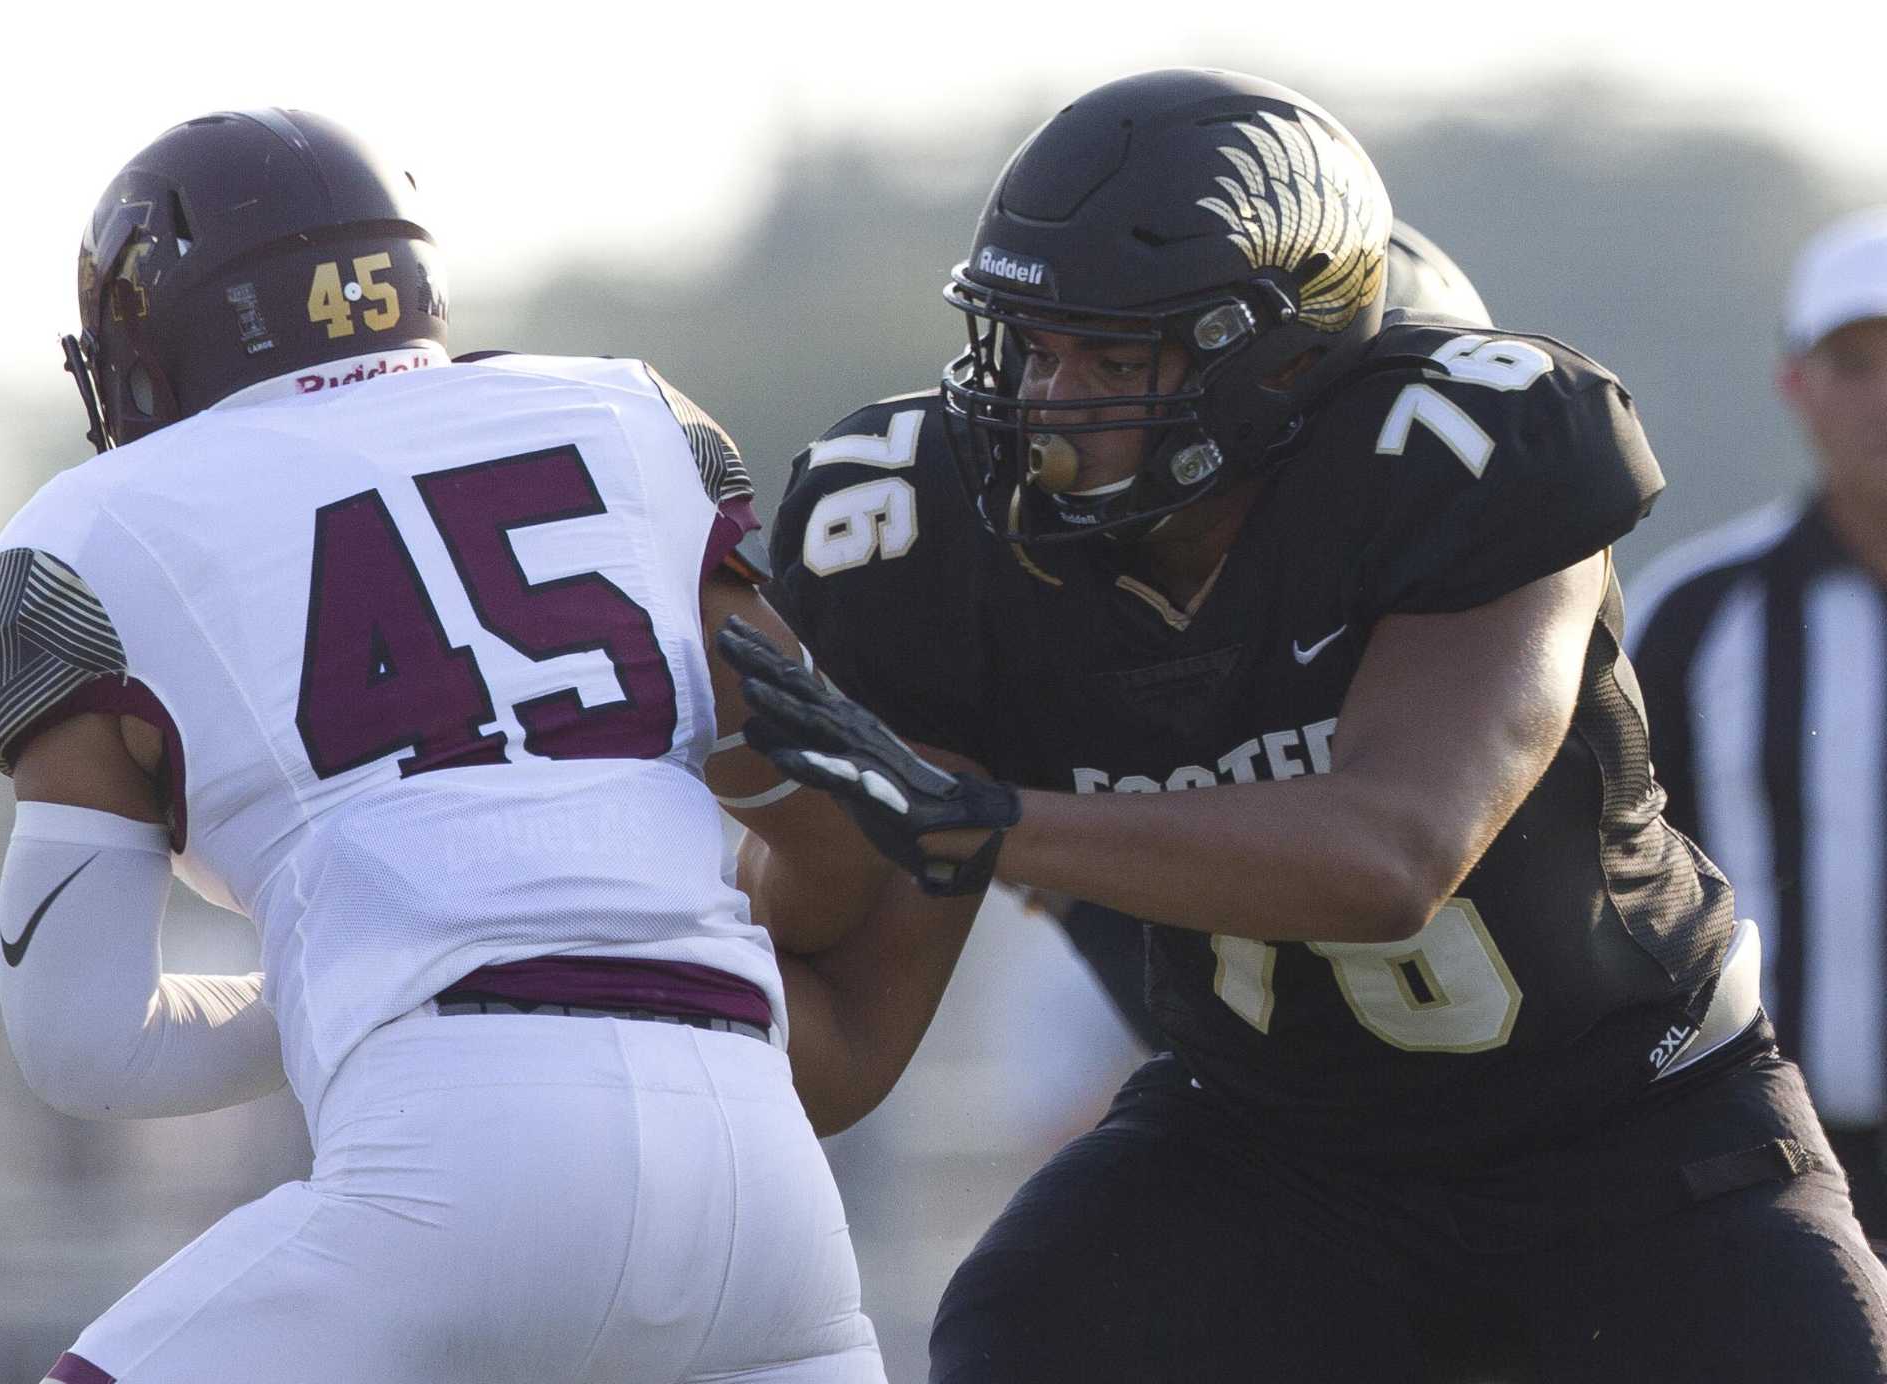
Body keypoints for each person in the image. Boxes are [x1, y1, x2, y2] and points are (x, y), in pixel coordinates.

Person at [726, 69, 1887, 1382]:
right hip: (1275, 1143)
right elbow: (849, 1053)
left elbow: (1393, 856)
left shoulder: (1477, 455)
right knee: (1032, 1329)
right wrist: (747, 871)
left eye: (1114, 356)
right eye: (1029, 344)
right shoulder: (937, 540)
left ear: (1286, 360)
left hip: (1636, 1136)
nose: (1049, 407)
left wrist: (981, 819)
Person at [0, 107, 966, 1384]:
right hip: (762, 1191)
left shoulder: (92, 534)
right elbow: (829, 821)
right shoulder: (623, 417)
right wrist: (599, 924)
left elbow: (87, 1044)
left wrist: (397, 952)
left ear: (143, 352)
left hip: (456, 1163)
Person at [1038, 217, 1499, 1052]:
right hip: (1263, 1121)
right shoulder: (1078, 598)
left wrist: (999, 823)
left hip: (1550, 1094)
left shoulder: (1488, 562)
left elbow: (1389, 860)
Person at [1628, 206, 1887, 1241]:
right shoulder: (1696, 612)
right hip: (1772, 1141)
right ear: (1793, 383)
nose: (1882, 397)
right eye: (1852, 361)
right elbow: (1616, 878)